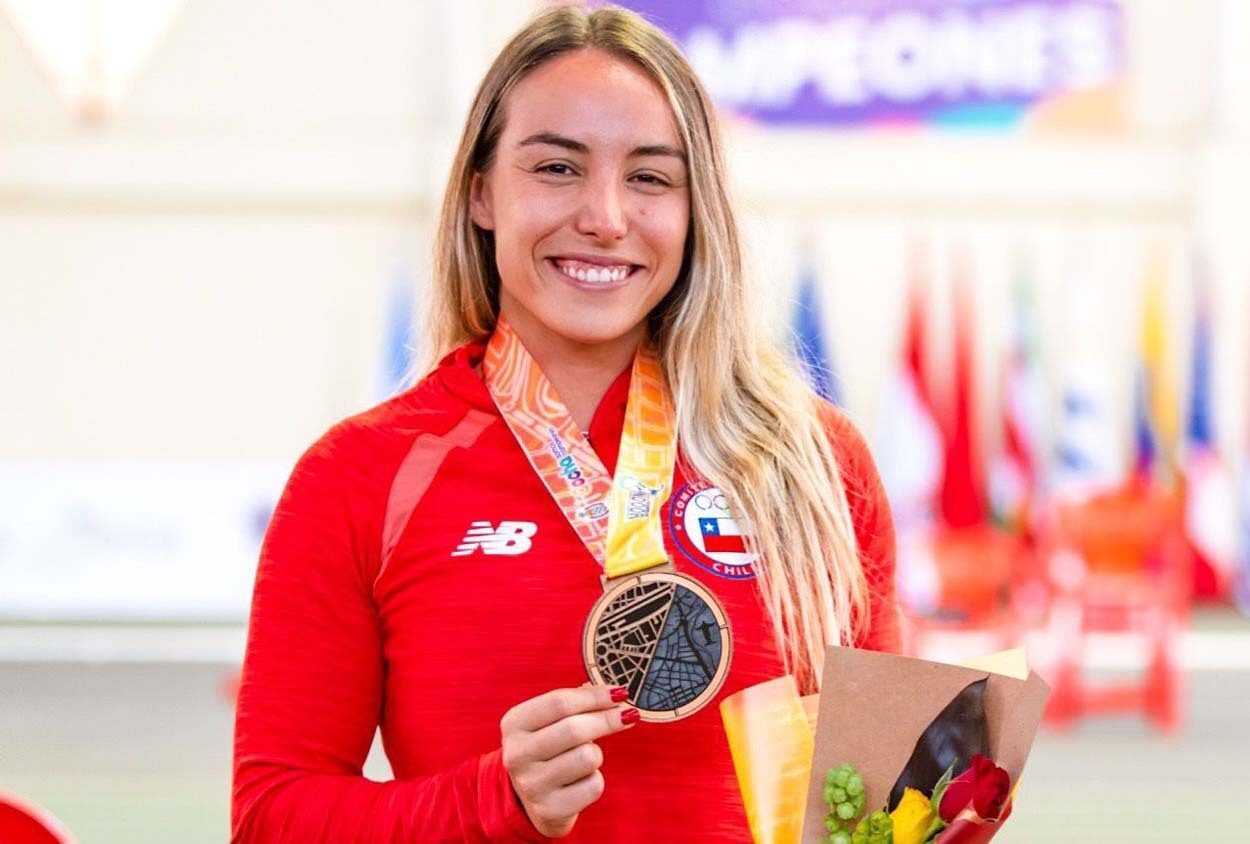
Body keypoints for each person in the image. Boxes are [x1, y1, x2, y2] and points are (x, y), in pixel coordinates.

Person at [231, 5, 900, 841]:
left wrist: (938, 802)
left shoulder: (815, 461)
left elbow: (867, 802)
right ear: (481, 192)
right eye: (557, 168)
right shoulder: (362, 475)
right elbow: (272, 817)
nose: (606, 216)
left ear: (696, 212)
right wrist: (489, 801)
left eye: (651, 178)